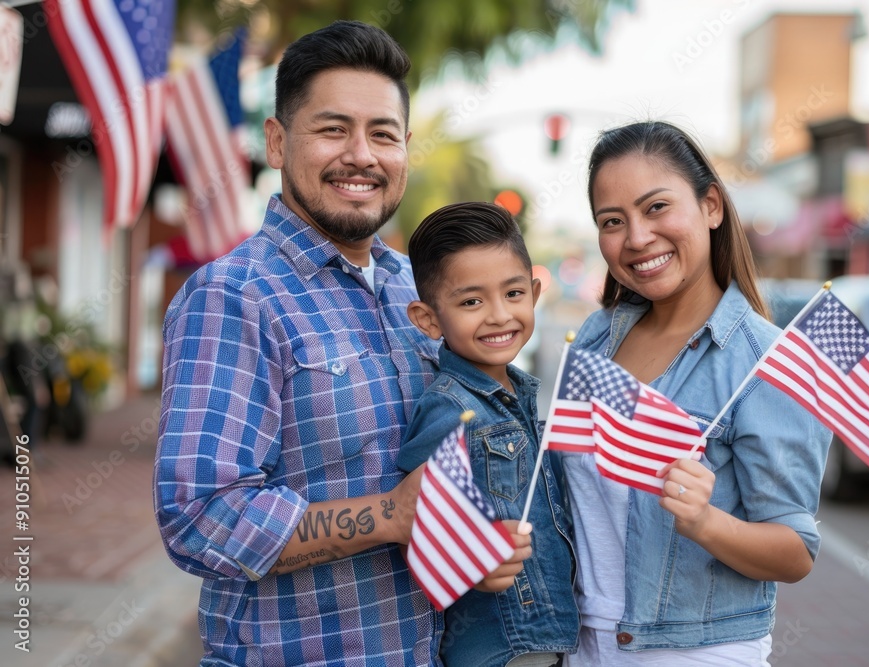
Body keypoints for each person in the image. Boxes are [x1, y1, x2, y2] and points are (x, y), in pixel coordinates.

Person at [154, 21, 530, 667]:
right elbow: (197, 515)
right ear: (276, 140)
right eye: (333, 129)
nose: (362, 154)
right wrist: (390, 514)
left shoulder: (416, 288)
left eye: (382, 134)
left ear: (405, 149)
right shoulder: (234, 295)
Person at [562, 121, 832, 666]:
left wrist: (707, 522)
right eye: (613, 221)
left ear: (711, 206)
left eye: (656, 207)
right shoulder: (595, 336)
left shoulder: (767, 363)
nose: (637, 238)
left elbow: (795, 551)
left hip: (692, 651)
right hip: (582, 642)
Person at [396, 202, 579, 667]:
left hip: (545, 639)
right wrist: (471, 557)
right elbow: (416, 520)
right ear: (429, 319)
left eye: (513, 293)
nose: (499, 315)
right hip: (500, 647)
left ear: (535, 292)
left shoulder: (516, 392)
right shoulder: (448, 407)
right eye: (471, 302)